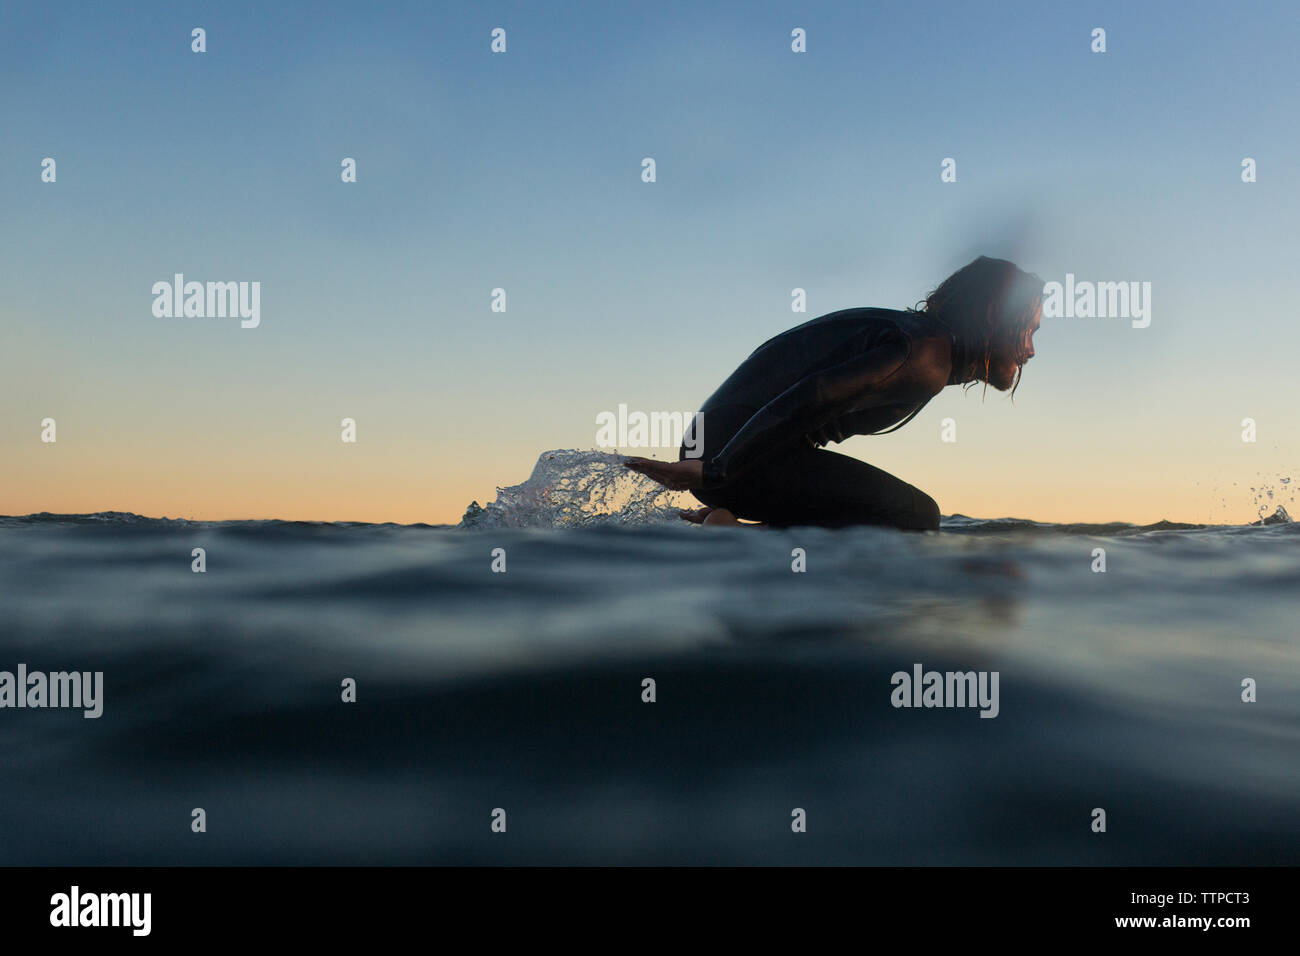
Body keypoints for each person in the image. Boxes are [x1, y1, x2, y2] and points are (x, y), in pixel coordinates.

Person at [624, 256, 1043, 530]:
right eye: (1028, 331)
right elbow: (818, 392)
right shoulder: (926, 355)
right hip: (732, 452)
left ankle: (731, 526)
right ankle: (734, 532)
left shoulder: (922, 340)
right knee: (917, 516)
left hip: (734, 447)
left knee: (893, 508)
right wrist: (717, 470)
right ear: (995, 316)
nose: (1030, 350)